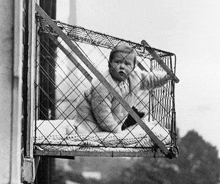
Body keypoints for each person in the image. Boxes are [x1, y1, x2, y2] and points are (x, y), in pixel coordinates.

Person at [71, 43, 171, 134]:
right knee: (89, 131)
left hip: (116, 116)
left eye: (127, 64)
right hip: (90, 117)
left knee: (129, 123)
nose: (122, 66)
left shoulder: (134, 77)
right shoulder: (102, 84)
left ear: (133, 67)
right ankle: (77, 128)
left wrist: (165, 77)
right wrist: (116, 131)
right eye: (117, 62)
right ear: (109, 64)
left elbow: (150, 79)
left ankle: (126, 122)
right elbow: (103, 114)